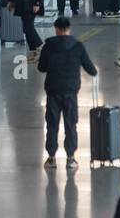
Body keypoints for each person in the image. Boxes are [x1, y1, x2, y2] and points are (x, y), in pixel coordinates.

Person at [38, 17, 97, 169]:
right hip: (71, 92)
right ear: (69, 29)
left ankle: (51, 158)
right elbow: (90, 68)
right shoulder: (78, 46)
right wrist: (93, 71)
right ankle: (70, 158)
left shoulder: (48, 46)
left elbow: (41, 68)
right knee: (71, 124)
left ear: (56, 29)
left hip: (53, 91)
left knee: (52, 125)